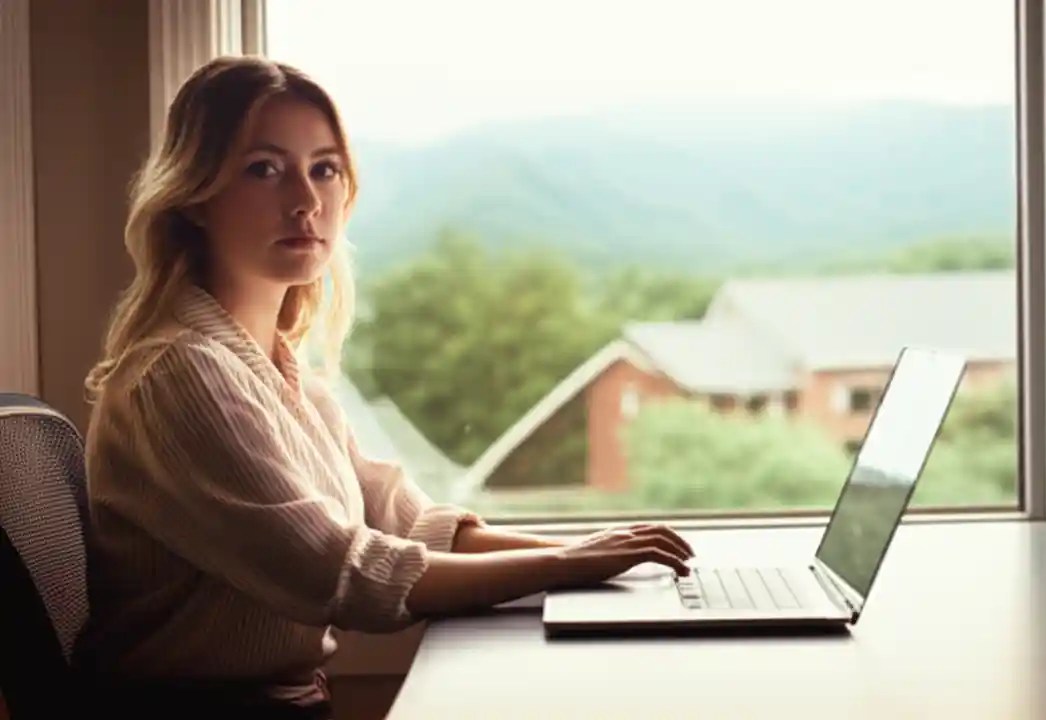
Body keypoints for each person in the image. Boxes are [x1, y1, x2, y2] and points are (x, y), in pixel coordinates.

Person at [76, 55, 695, 719]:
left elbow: (411, 526)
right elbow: (342, 572)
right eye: (264, 169)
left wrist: (593, 552)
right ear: (195, 197)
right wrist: (571, 566)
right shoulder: (181, 375)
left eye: (325, 169)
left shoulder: (277, 369)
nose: (306, 201)